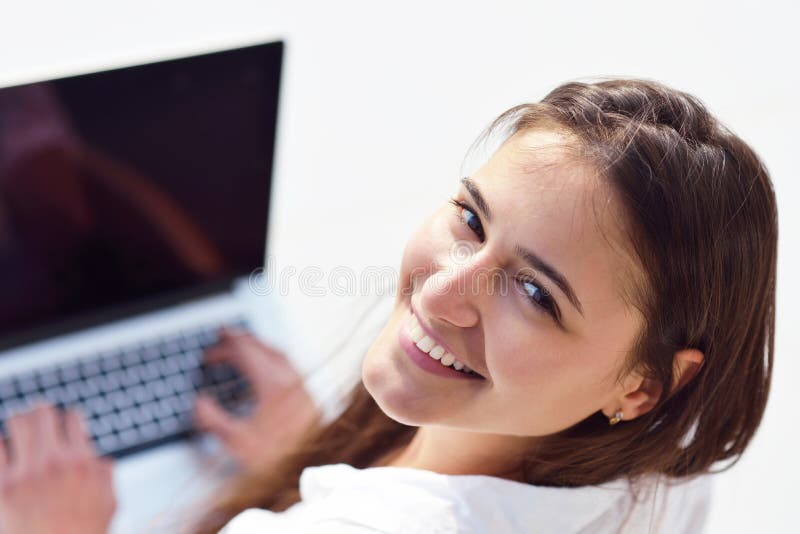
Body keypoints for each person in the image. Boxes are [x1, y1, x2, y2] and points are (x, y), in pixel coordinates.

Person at [0, 78, 777, 534]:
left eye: (536, 294)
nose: (440, 294)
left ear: (643, 386)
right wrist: (306, 454)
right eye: (472, 220)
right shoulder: (668, 478)